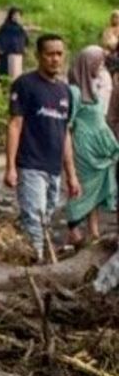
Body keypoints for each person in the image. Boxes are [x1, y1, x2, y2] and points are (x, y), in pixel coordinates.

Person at [5, 34, 81, 262]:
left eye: (59, 54)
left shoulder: (65, 91)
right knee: (34, 222)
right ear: (38, 55)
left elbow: (65, 132)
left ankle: (28, 259)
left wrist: (72, 175)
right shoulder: (25, 84)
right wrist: (10, 167)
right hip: (30, 165)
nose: (55, 59)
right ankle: (34, 267)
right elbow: (15, 125)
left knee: (45, 219)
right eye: (49, 54)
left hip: (53, 168)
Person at [66, 46, 119, 246]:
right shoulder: (75, 91)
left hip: (98, 149)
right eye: (98, 62)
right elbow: (69, 125)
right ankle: (73, 229)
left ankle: (94, 230)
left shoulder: (93, 87)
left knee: (96, 190)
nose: (101, 66)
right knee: (81, 188)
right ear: (87, 64)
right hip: (84, 149)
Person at [0, 7, 28, 80]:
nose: (17, 17)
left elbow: (25, 42)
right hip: (7, 55)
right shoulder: (4, 28)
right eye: (15, 15)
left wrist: (24, 50)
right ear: (11, 16)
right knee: (6, 75)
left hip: (18, 55)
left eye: (19, 15)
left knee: (17, 76)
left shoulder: (21, 29)